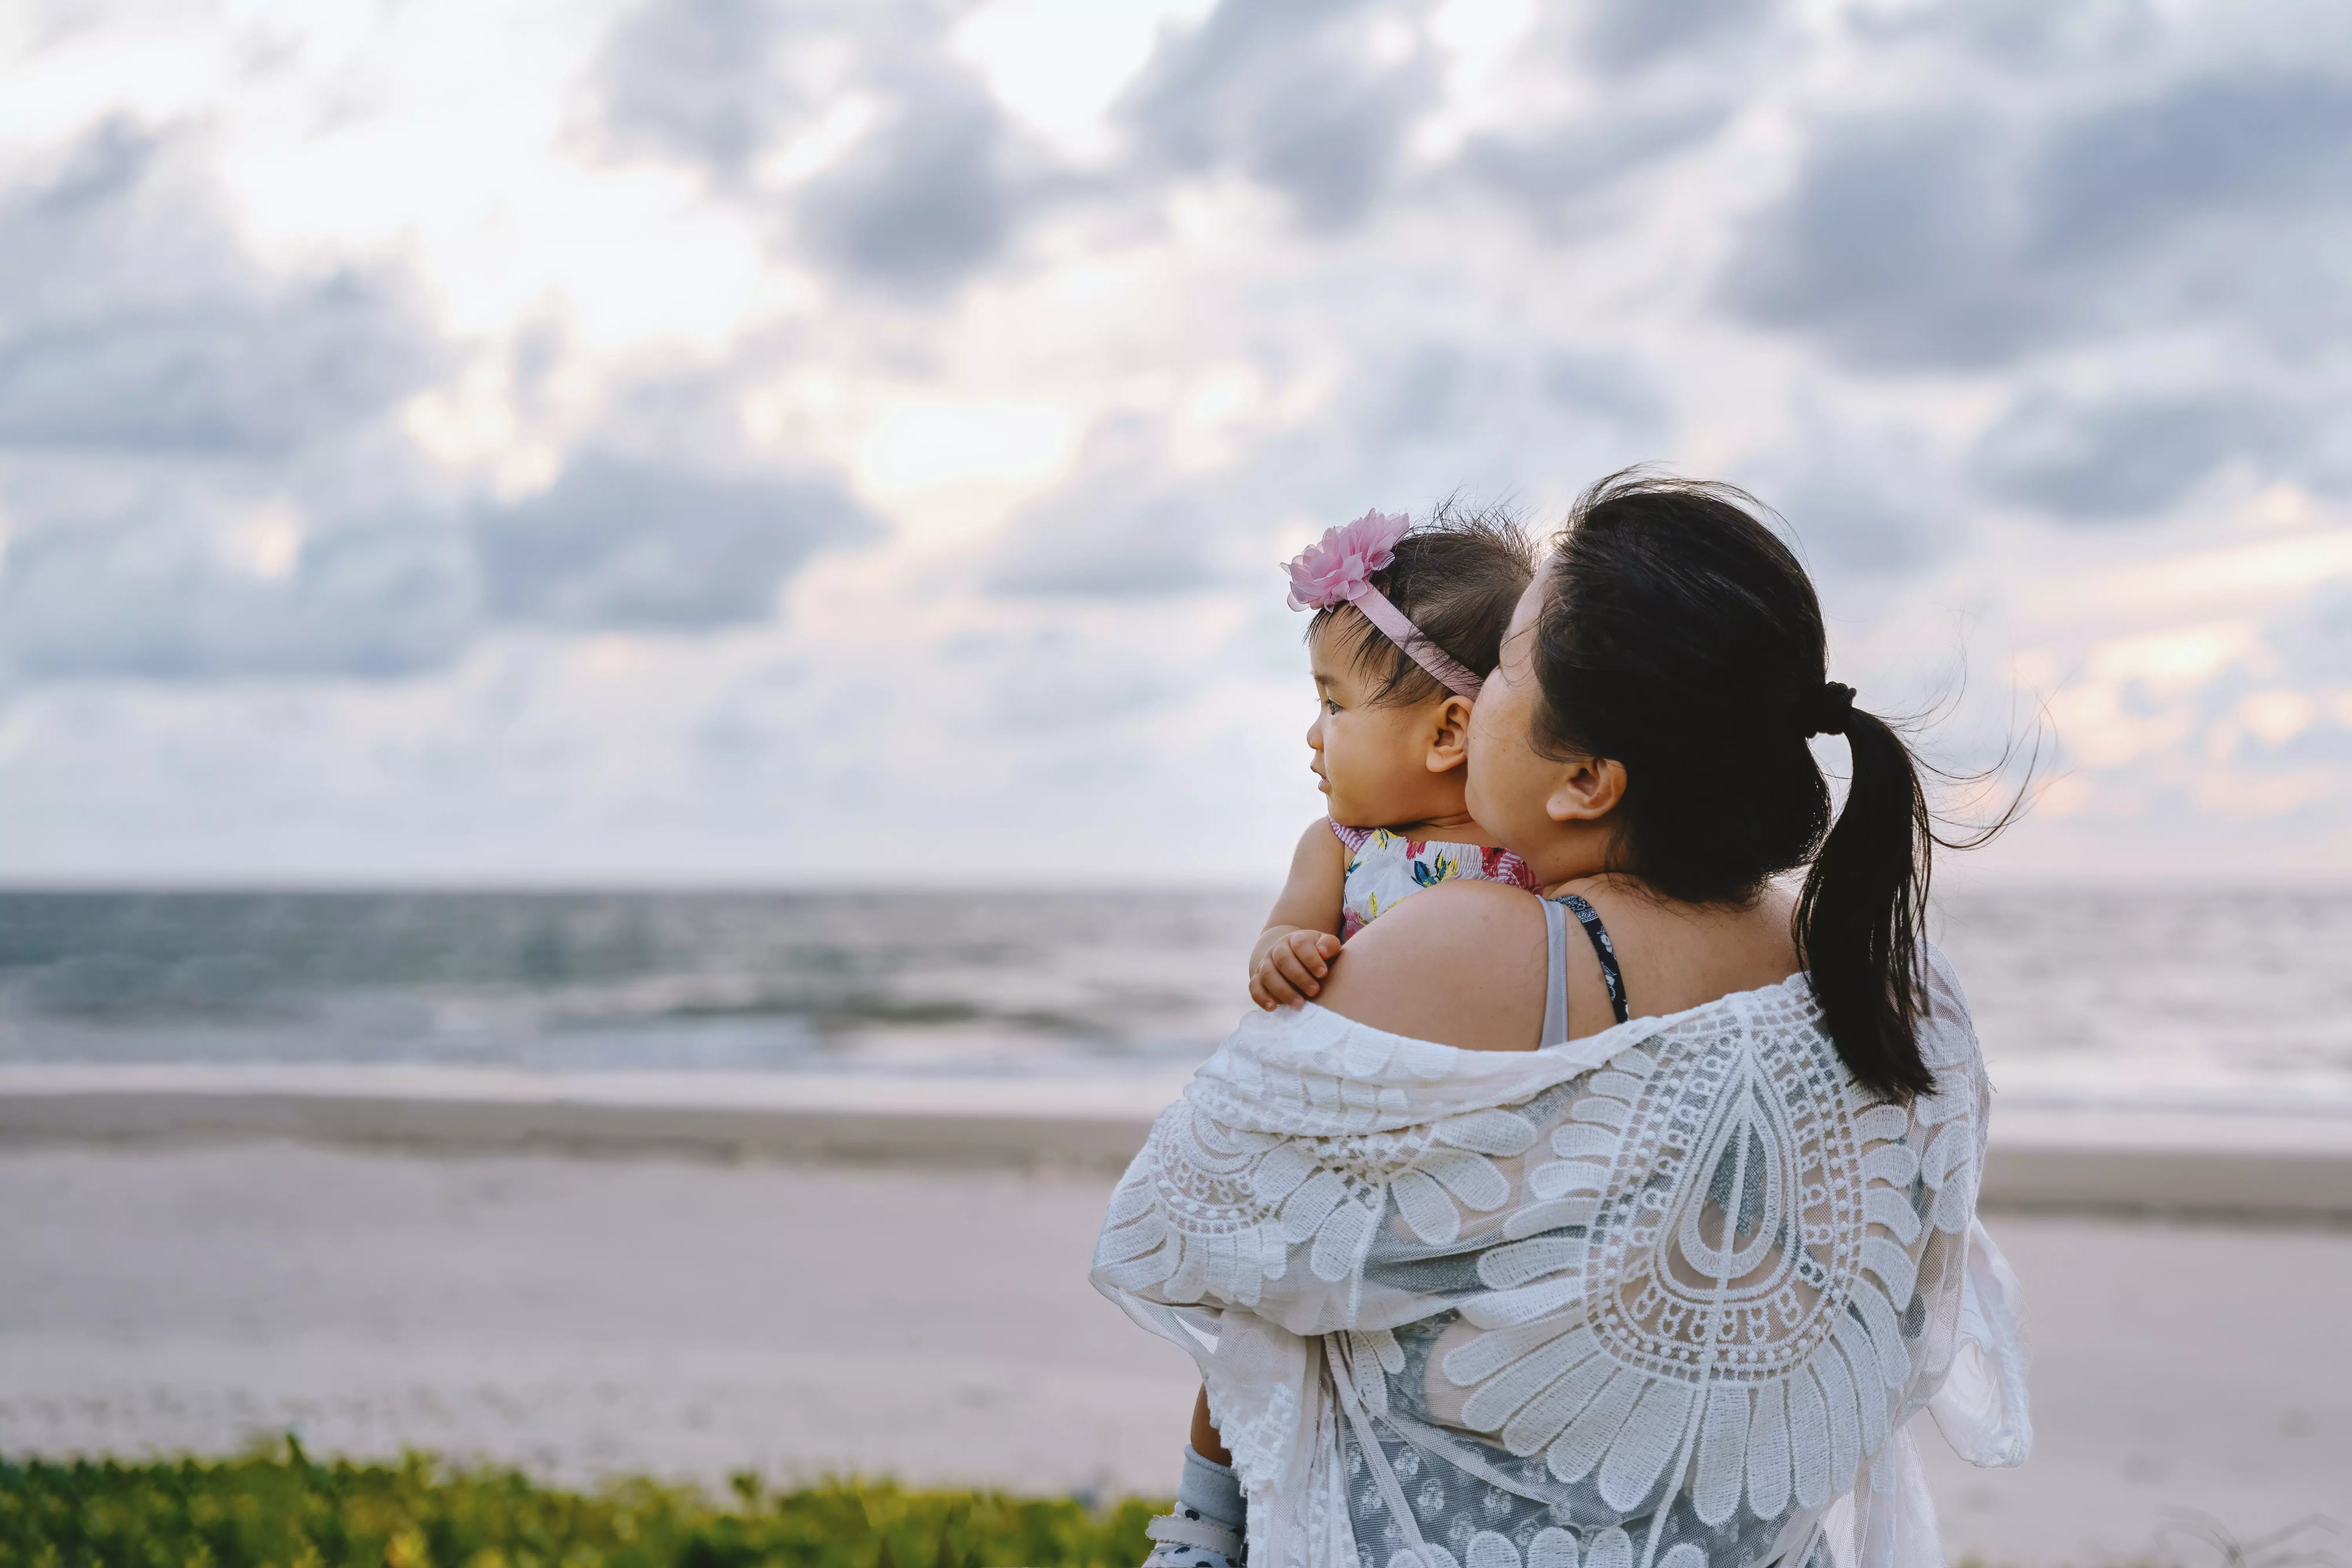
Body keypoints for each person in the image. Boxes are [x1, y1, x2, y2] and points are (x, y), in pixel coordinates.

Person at [1095, 474, 2031, 1568]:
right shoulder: (1883, 977)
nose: (1472, 692)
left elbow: (1182, 1224)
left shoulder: (1466, 947)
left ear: (1585, 778)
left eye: (1503, 665)